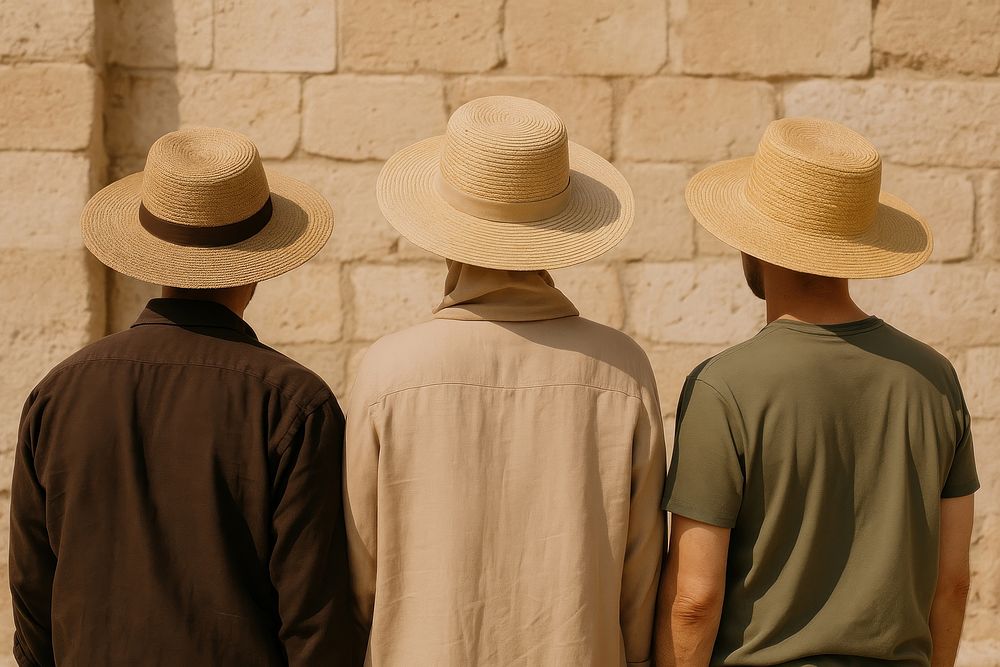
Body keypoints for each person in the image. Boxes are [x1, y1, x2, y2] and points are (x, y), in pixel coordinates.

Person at [9, 127, 359, 666]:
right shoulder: (293, 404)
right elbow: (315, 616)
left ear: (151, 256)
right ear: (257, 269)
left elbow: (33, 595)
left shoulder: (59, 392)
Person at [344, 96, 665, 666]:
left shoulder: (388, 369)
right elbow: (642, 566)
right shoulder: (621, 368)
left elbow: (360, 564)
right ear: (558, 234)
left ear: (443, 234)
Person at [656, 117, 978, 667]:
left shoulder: (723, 387)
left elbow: (694, 599)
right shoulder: (934, 379)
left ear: (751, 245)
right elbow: (950, 583)